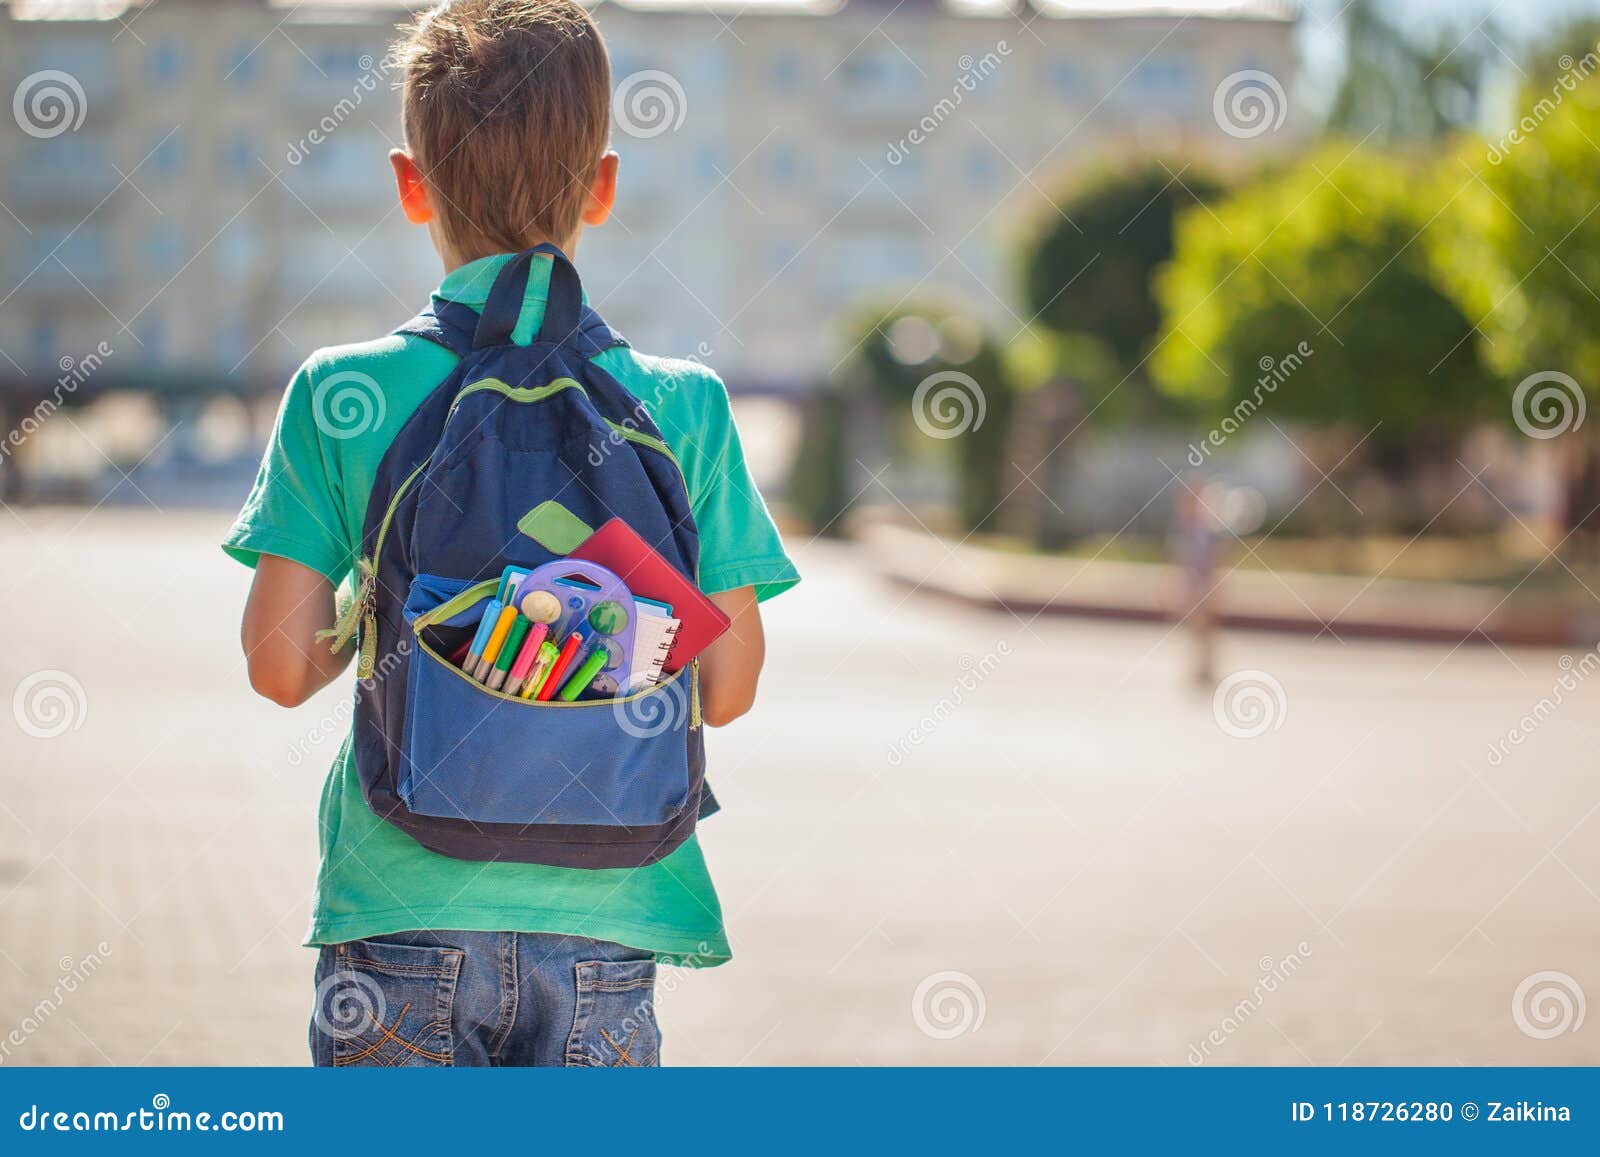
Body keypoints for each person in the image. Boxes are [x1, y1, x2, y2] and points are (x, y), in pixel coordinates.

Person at [223, 0, 799, 1066]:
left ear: (410, 184)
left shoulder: (342, 391)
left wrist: (383, 604)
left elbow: (278, 666)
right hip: (611, 917)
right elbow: (726, 688)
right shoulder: (686, 404)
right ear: (603, 185)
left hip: (398, 905)